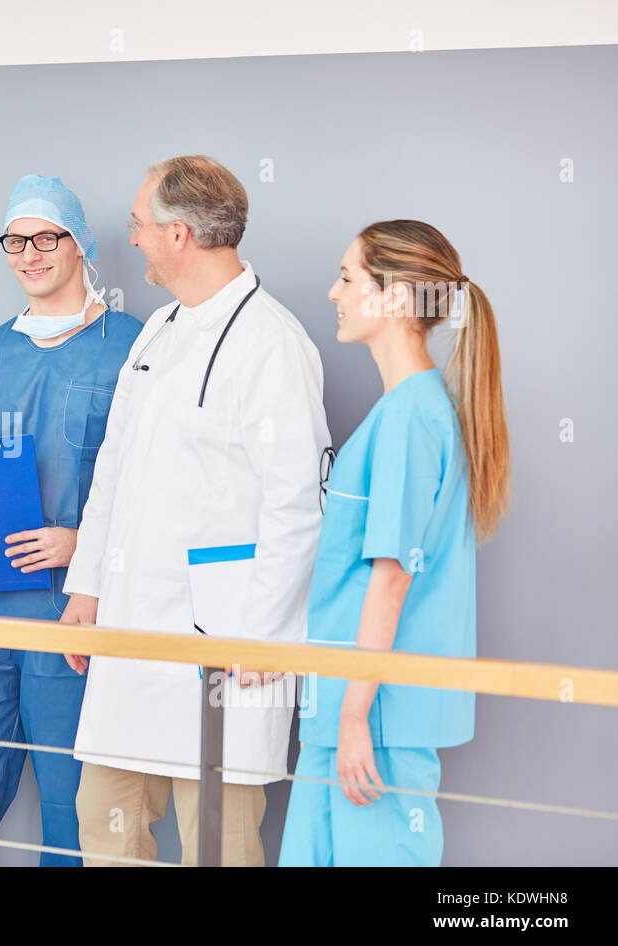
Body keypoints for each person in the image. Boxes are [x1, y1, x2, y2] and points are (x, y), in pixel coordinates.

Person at [60, 156, 329, 866]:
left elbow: (298, 503)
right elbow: (112, 469)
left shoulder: (272, 343)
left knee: (219, 844)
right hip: (129, 632)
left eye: (141, 226)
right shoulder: (158, 331)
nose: (136, 238)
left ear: (178, 234)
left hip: (224, 647)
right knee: (105, 823)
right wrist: (86, 586)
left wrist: (263, 634)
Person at [0, 175, 141, 867]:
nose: (30, 253)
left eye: (46, 237)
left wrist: (81, 543)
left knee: (79, 804)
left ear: (80, 244)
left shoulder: (134, 346)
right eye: (16, 240)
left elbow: (155, 487)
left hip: (74, 611)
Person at [279, 221, 510, 867]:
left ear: (398, 299)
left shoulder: (411, 418)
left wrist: (356, 718)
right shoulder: (408, 411)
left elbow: (392, 577)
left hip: (373, 716)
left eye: (348, 277)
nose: (333, 291)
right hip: (351, 708)